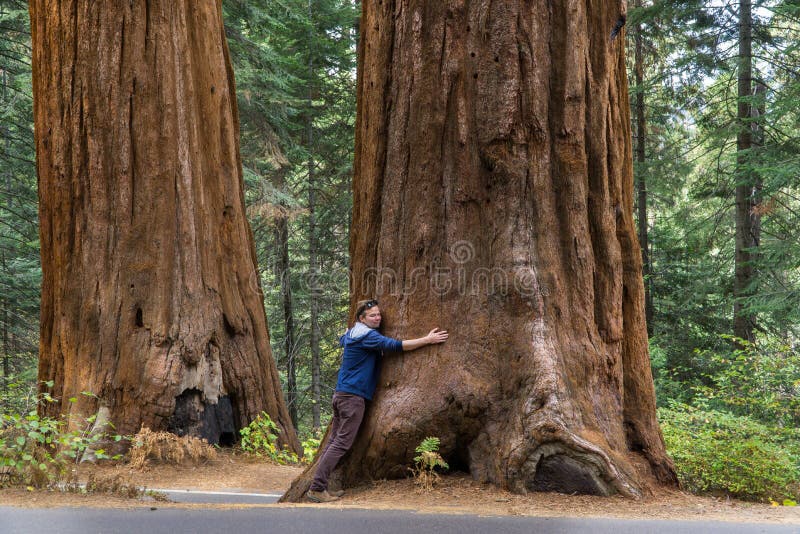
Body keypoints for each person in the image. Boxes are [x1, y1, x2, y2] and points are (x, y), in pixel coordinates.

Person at [307, 299, 448, 503]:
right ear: (362, 319)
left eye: (378, 314)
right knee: (341, 444)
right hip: (352, 397)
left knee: (333, 442)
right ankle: (317, 488)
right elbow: (396, 346)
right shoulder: (367, 336)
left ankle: (319, 485)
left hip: (342, 395)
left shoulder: (352, 333)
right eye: (372, 315)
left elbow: (343, 340)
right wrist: (427, 340)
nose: (378, 318)